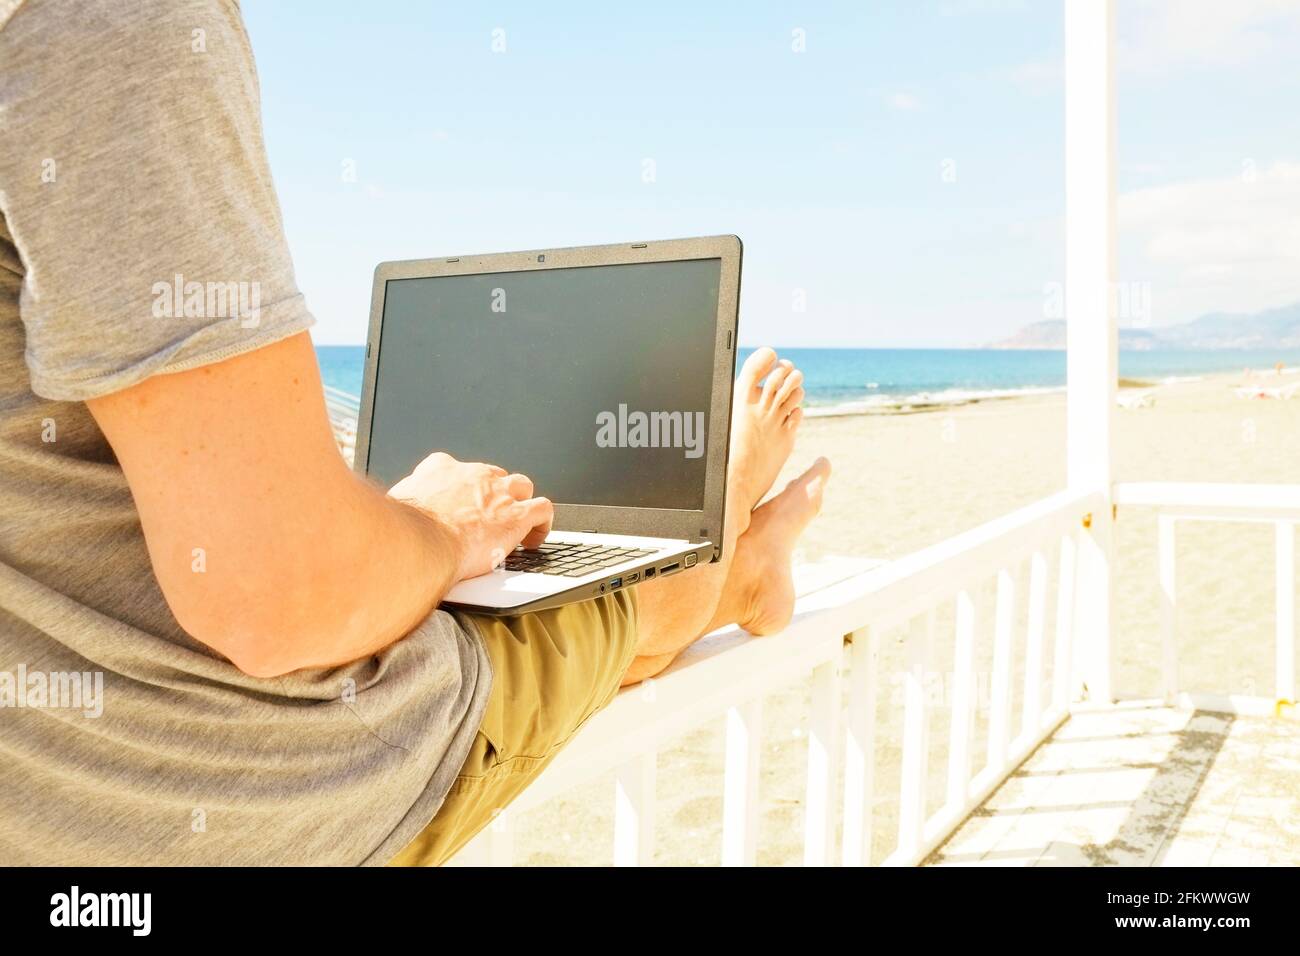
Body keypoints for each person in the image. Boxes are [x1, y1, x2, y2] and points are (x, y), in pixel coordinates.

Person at [0, 0, 829, 866]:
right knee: (619, 602)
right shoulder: (114, 18)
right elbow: (282, 592)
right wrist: (440, 530)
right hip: (237, 778)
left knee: (513, 574)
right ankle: (736, 545)